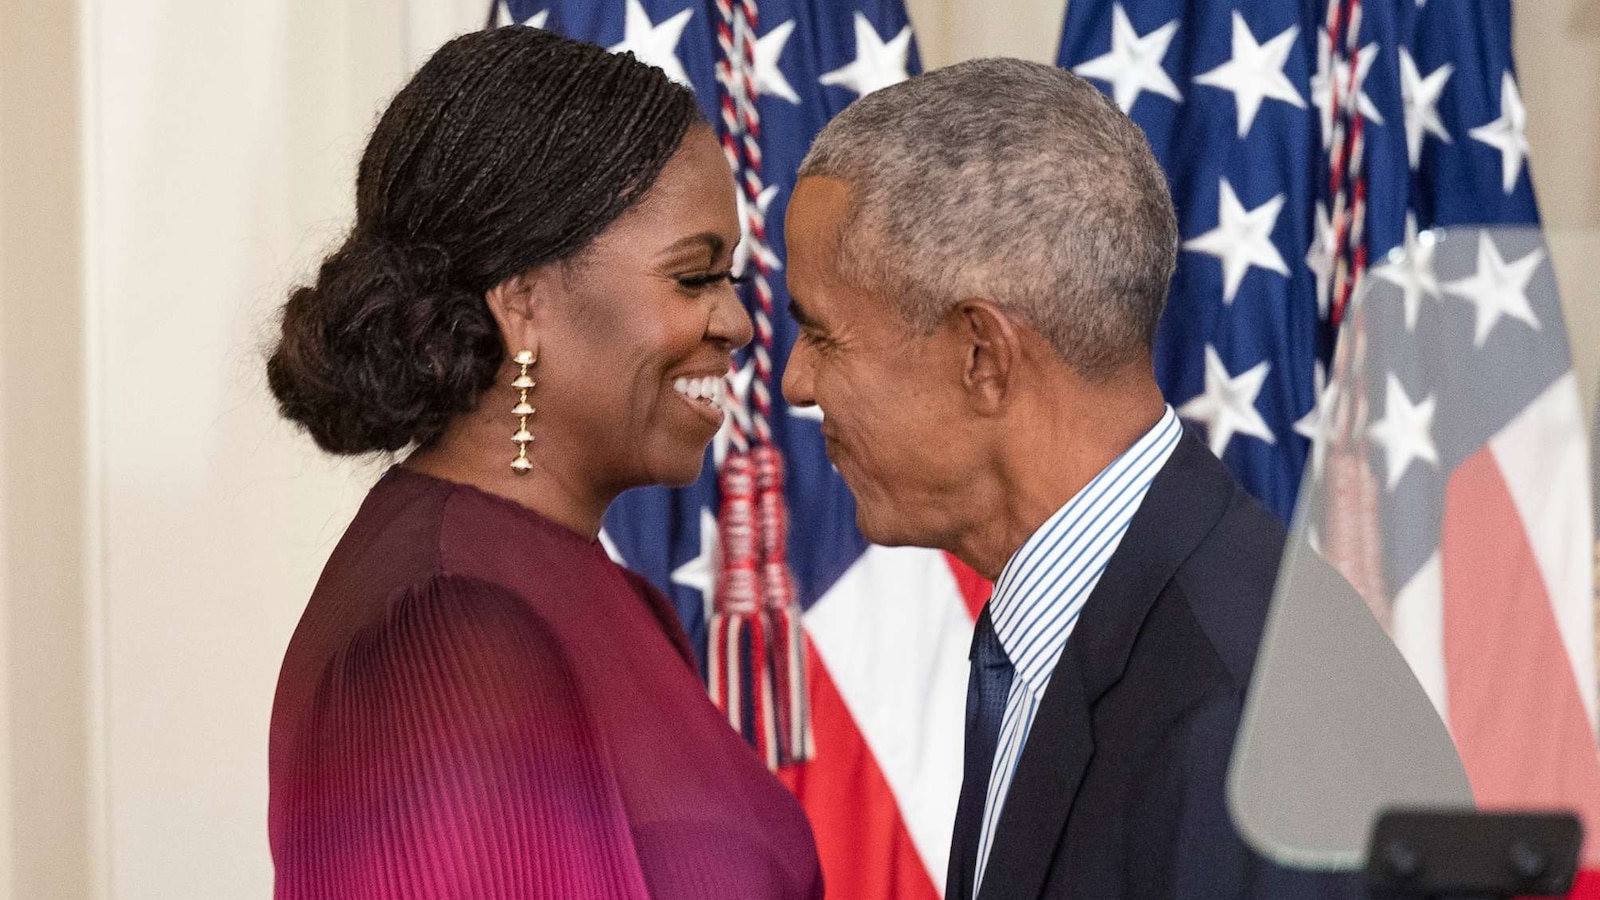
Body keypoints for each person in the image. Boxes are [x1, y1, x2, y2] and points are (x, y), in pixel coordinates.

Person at [781, 59, 1361, 900]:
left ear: (982, 355)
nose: (796, 383)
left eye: (823, 336)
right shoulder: (1099, 621)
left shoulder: (1246, 721)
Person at [265, 27, 821, 900]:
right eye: (693, 278)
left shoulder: (585, 588)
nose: (738, 324)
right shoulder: (447, 625)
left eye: (731, 279)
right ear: (523, 302)